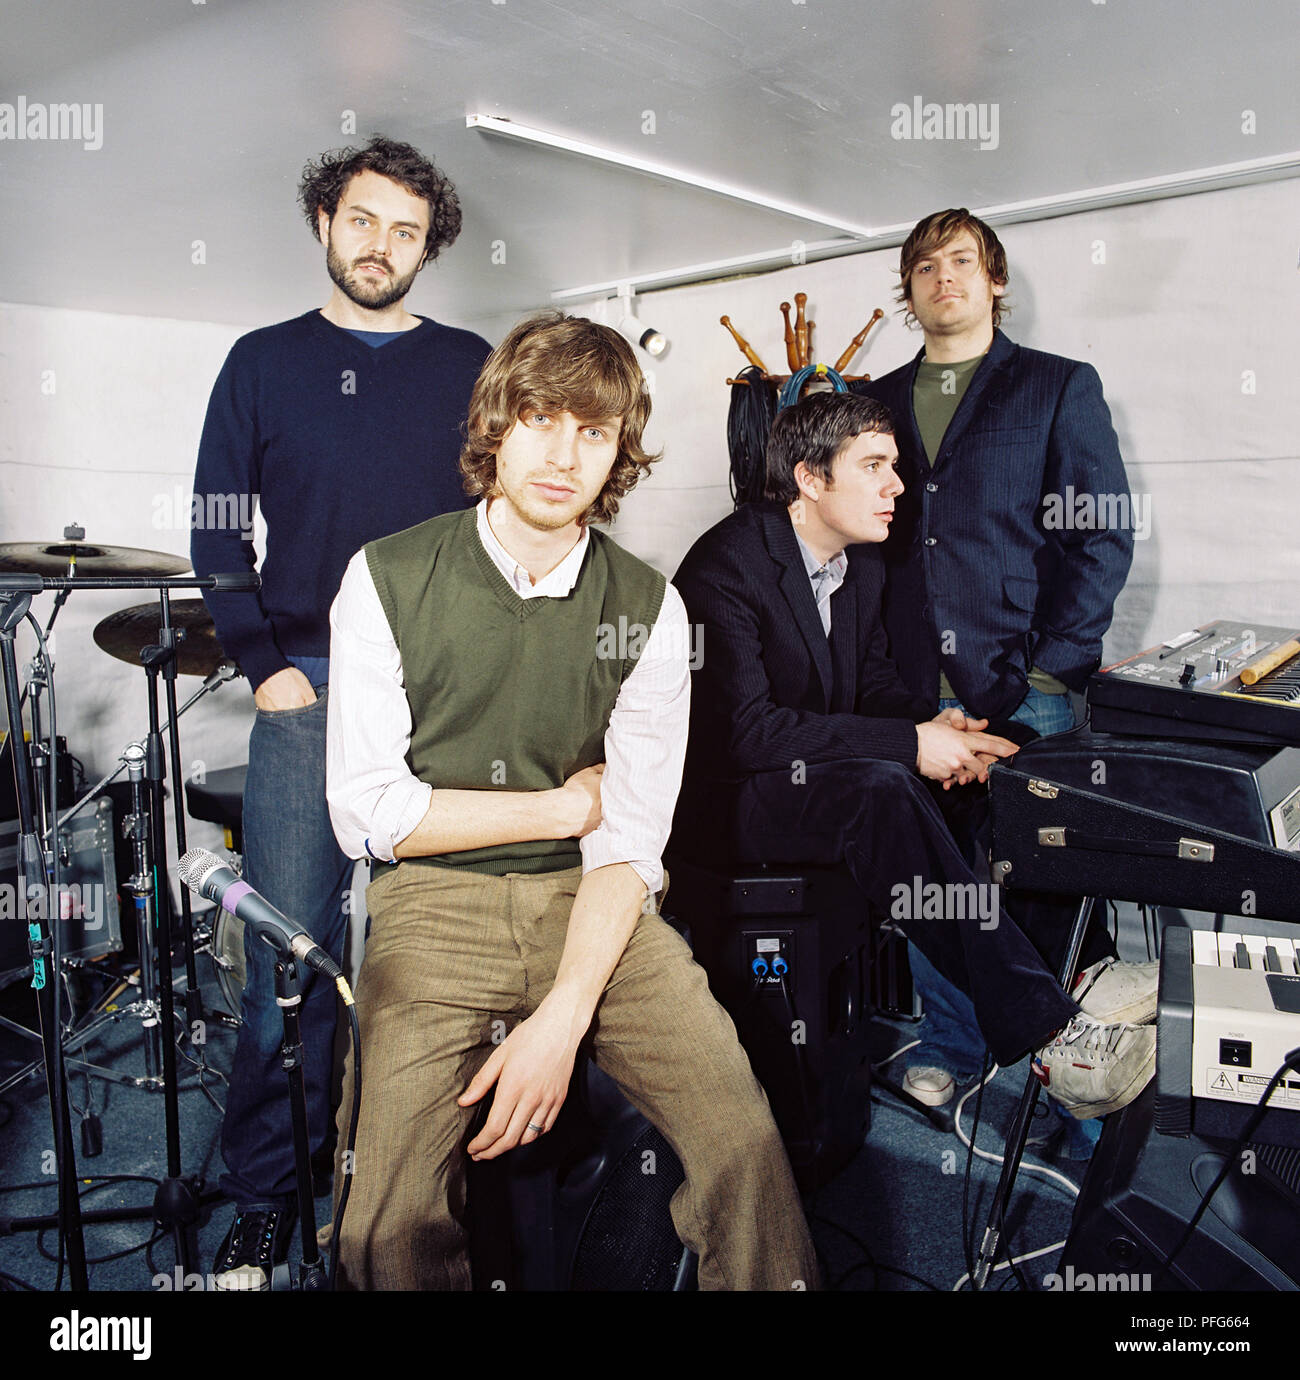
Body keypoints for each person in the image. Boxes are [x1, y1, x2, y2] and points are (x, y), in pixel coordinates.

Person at [324, 312, 819, 1291]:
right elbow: (373, 815)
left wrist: (563, 1016)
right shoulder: (382, 579)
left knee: (746, 1151)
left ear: (618, 453)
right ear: (496, 428)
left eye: (593, 432)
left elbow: (629, 843)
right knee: (382, 1226)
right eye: (542, 419)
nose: (563, 453)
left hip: (598, 910)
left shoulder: (650, 607)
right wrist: (554, 810)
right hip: (435, 908)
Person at [672, 391, 1156, 1125]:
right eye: (873, 466)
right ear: (810, 478)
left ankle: (1076, 975)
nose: (897, 485)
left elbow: (867, 690)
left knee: (1011, 767)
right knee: (881, 790)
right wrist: (911, 745)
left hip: (809, 773)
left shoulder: (859, 564)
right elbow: (745, 734)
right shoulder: (724, 566)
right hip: (728, 800)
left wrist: (938, 725)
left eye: (894, 465)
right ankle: (1054, 1037)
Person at [191, 135, 491, 1289]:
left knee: (440, 957)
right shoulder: (260, 362)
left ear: (430, 246)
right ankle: (269, 1193)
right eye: (363, 221)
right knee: (289, 956)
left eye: (407, 231)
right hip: (308, 686)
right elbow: (219, 530)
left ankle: (416, 1186)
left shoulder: (468, 359)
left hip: (440, 688)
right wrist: (267, 662)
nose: (383, 246)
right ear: (325, 220)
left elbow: (495, 525)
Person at [852, 210, 1144, 1112]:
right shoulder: (874, 401)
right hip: (912, 693)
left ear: (996, 280)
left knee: (1036, 876)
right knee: (932, 879)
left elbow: (1099, 536)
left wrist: (1050, 673)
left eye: (963, 261)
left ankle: (1064, 1061)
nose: (945, 277)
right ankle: (951, 1044)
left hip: (1031, 690)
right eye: (926, 266)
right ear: (908, 291)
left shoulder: (1058, 386)